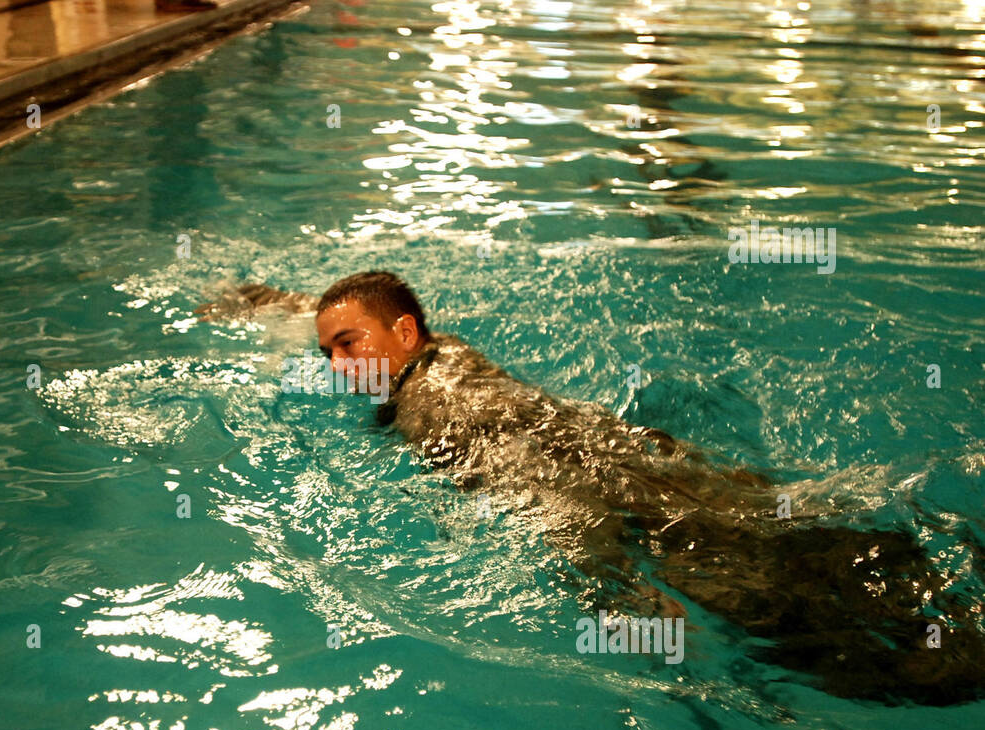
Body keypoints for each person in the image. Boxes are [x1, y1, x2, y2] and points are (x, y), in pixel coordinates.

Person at [203, 270, 985, 706]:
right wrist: (262, 303)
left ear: (404, 334)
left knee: (829, 629)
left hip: (637, 513)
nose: (338, 364)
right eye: (328, 348)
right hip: (647, 458)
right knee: (797, 519)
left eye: (349, 345)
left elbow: (549, 497)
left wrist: (608, 595)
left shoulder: (428, 403)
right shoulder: (445, 355)